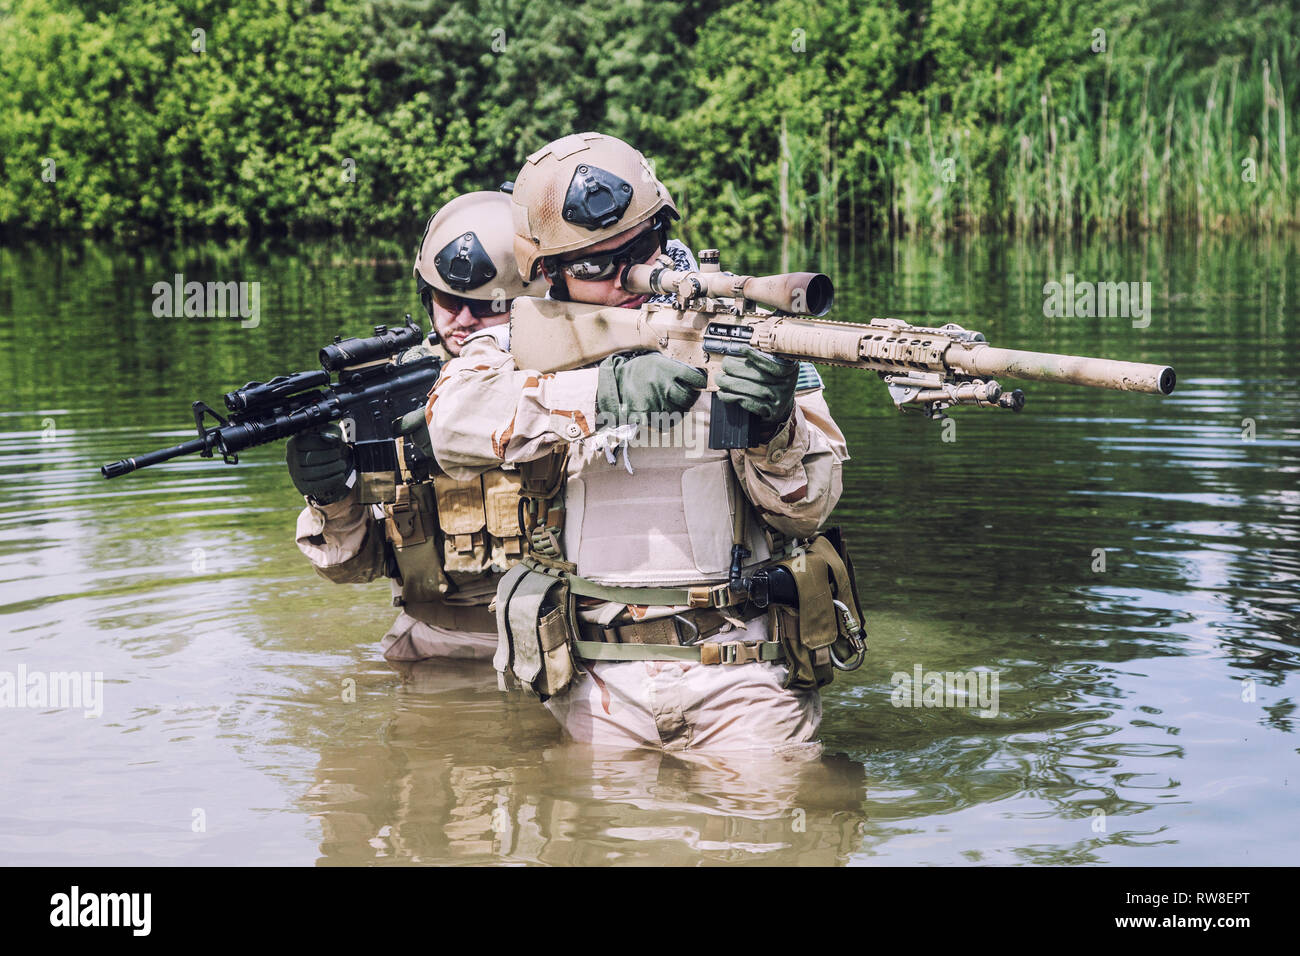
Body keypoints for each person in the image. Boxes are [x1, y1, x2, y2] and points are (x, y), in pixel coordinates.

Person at [426, 133, 853, 751]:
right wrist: (601, 394)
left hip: (744, 675)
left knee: (777, 830)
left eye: (643, 248)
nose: (633, 276)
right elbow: (451, 425)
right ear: (545, 271)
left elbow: (810, 508)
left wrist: (772, 425)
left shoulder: (746, 332)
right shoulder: (524, 341)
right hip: (594, 681)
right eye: (597, 265)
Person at [287, 190, 546, 661]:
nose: (463, 321)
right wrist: (333, 497)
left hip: (559, 640)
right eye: (448, 301)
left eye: (488, 305)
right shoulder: (391, 397)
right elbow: (356, 568)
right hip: (431, 647)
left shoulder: (569, 388)